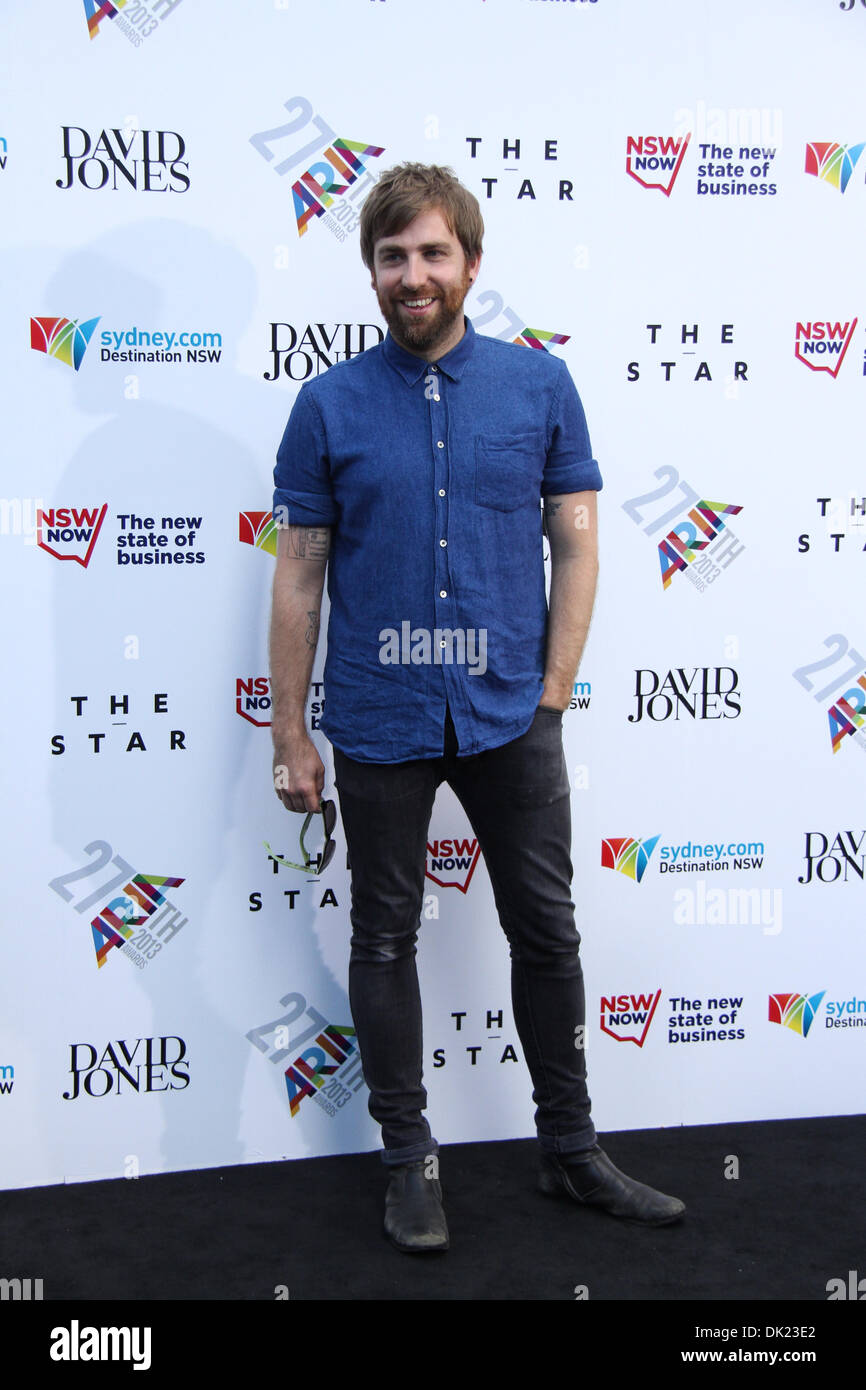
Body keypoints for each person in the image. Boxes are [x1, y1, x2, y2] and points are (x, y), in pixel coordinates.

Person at [270, 162, 684, 1252]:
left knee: (544, 929)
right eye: (392, 256)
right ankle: (408, 1161)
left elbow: (578, 546)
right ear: (371, 270)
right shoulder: (326, 407)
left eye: (431, 253)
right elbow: (299, 577)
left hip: (512, 715)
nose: (413, 274)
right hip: (377, 715)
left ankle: (571, 1150)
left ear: (470, 263)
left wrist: (552, 689)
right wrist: (288, 730)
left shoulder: (539, 388)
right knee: (383, 932)